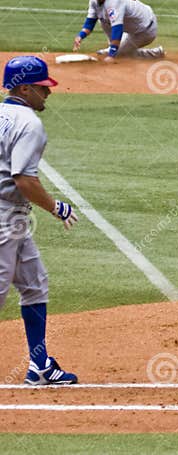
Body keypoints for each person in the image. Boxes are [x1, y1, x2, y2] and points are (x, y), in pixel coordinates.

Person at [1, 56, 79, 385]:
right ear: (25, 88)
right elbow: (24, 180)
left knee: (35, 285)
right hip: (5, 217)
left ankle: (40, 365)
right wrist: (55, 207)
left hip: (14, 218)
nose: (48, 94)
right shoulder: (29, 124)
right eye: (42, 89)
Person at [72, 0, 165, 62]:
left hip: (146, 29)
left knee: (119, 54)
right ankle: (115, 47)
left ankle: (155, 53)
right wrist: (80, 36)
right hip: (133, 28)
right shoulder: (93, 0)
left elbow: (117, 28)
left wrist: (112, 55)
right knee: (103, 19)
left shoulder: (114, 1)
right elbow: (90, 22)